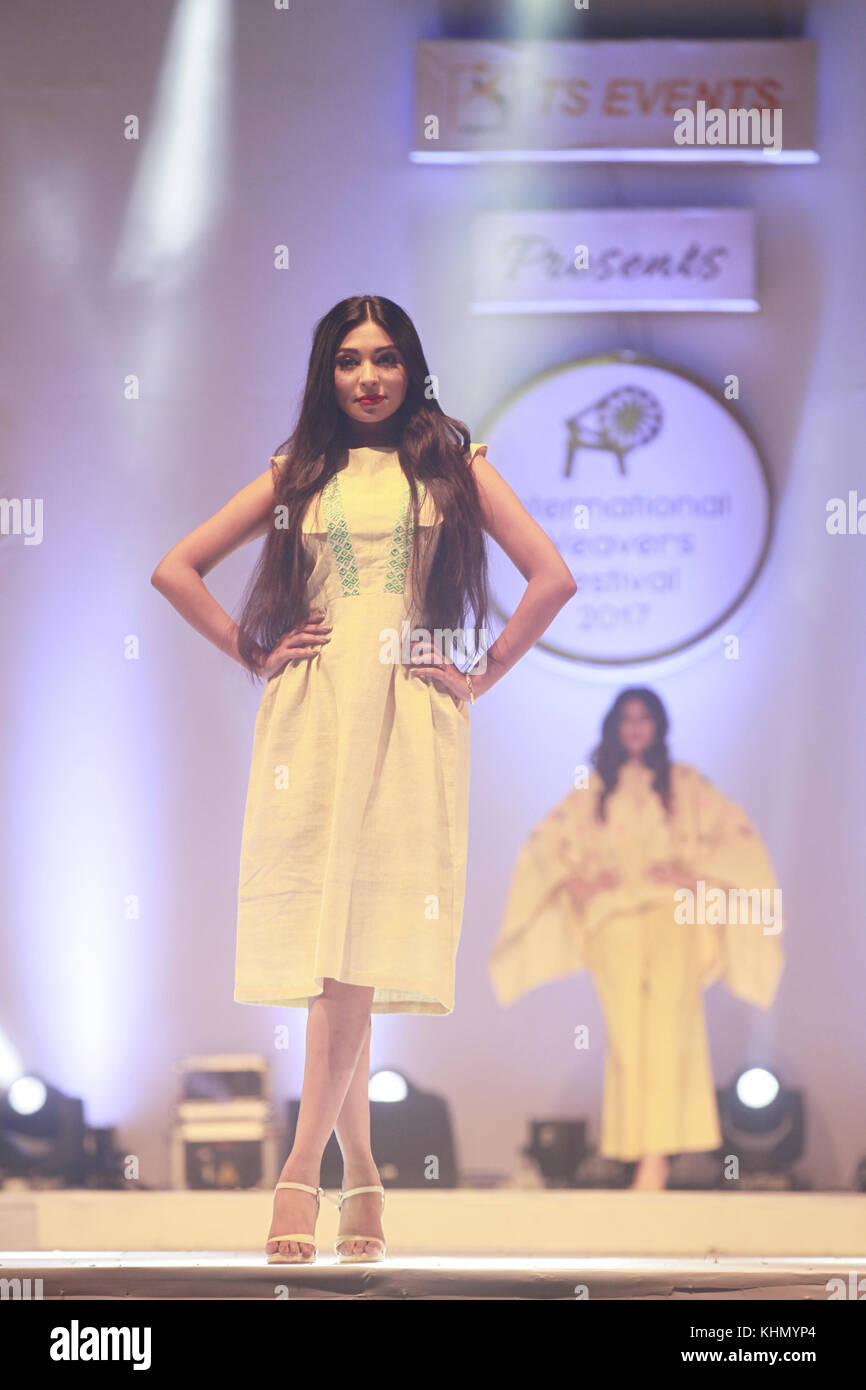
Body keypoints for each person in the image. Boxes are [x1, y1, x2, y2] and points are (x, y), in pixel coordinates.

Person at [150, 294, 576, 1262]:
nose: (368, 377)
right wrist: (252, 651)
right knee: (333, 956)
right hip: (313, 714)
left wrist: (475, 674)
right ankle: (359, 1178)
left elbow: (549, 575)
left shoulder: (452, 464)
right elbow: (176, 568)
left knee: (355, 955)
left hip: (410, 717)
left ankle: (305, 1171)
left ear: (409, 366)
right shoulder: (298, 469)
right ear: (325, 372)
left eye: (384, 359)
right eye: (349, 361)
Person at [489, 687, 784, 1191]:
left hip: (672, 916)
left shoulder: (684, 785)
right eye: (626, 718)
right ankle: (641, 1156)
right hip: (614, 922)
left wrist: (694, 875)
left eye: (644, 718)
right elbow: (544, 849)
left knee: (673, 1032)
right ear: (614, 726)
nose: (635, 727)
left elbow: (738, 840)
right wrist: (578, 880)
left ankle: (655, 1160)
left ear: (658, 725)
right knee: (628, 1038)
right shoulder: (594, 790)